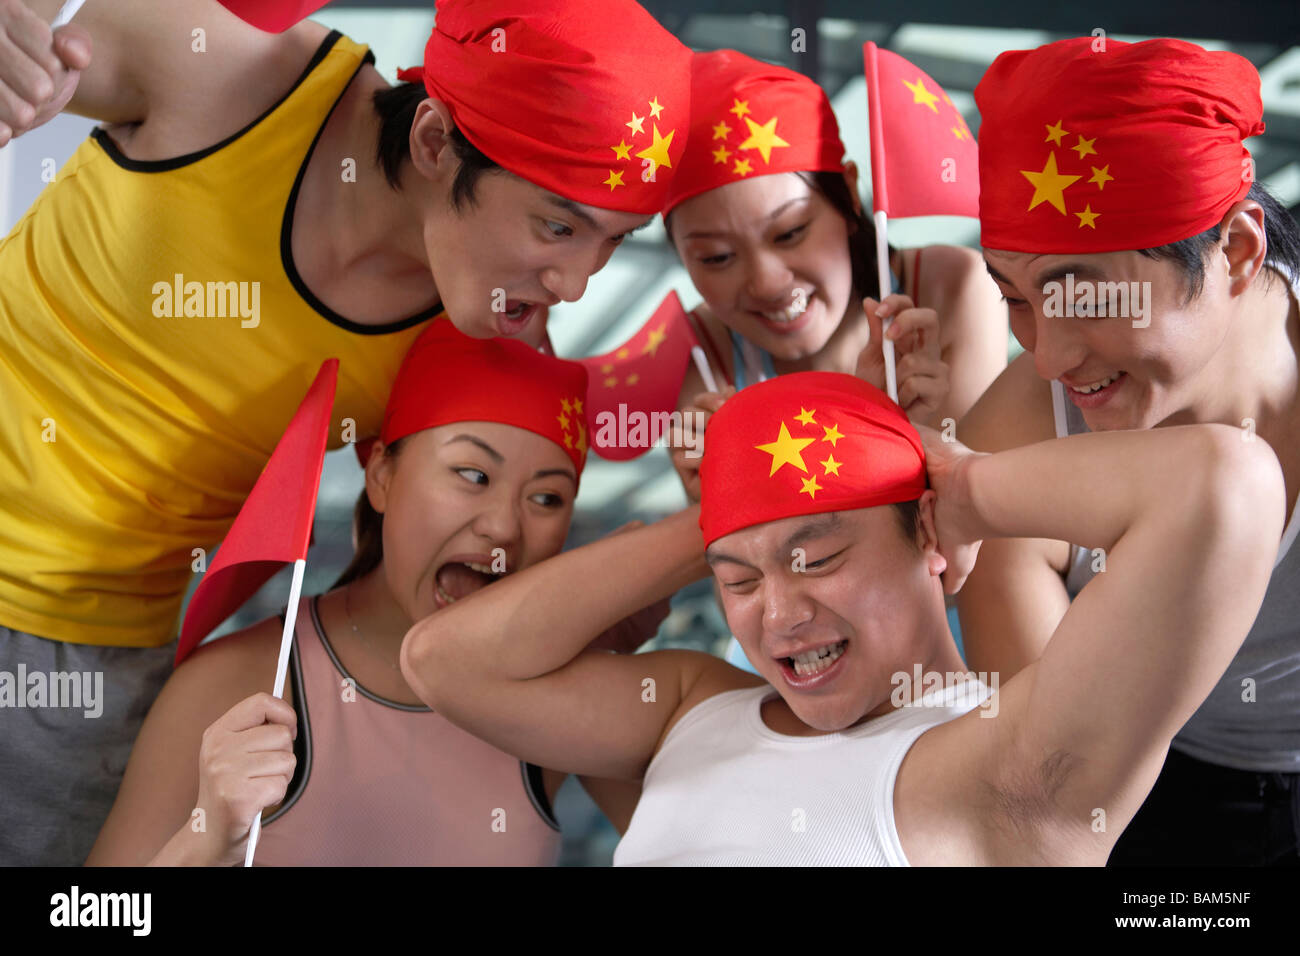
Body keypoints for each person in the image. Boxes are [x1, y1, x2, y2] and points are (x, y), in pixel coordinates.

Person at [0, 0, 692, 866]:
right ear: (436, 142)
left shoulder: (485, 333)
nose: (578, 284)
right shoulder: (235, 70)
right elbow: (37, 36)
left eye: (612, 245)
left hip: (83, 661)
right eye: (557, 226)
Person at [396, 370, 1284, 865]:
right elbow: (442, 661)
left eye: (818, 558)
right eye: (735, 580)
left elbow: (1224, 484)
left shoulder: (1010, 761)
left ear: (927, 532)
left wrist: (962, 486)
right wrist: (715, 519)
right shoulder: (693, 705)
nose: (780, 614)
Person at [86, 320, 654, 865]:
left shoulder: (558, 700)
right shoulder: (242, 680)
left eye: (548, 498)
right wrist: (206, 842)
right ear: (382, 474)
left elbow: (708, 843)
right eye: (473, 475)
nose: (504, 527)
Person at [954, 36, 1300, 864]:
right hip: (1148, 787)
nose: (1048, 358)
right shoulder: (1016, 438)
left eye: (1083, 293)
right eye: (1017, 298)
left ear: (1239, 254)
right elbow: (1043, 786)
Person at [661, 49, 1006, 450]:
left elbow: (973, 503)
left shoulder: (954, 288)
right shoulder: (696, 358)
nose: (767, 283)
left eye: (790, 232)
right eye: (717, 257)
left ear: (847, 193)